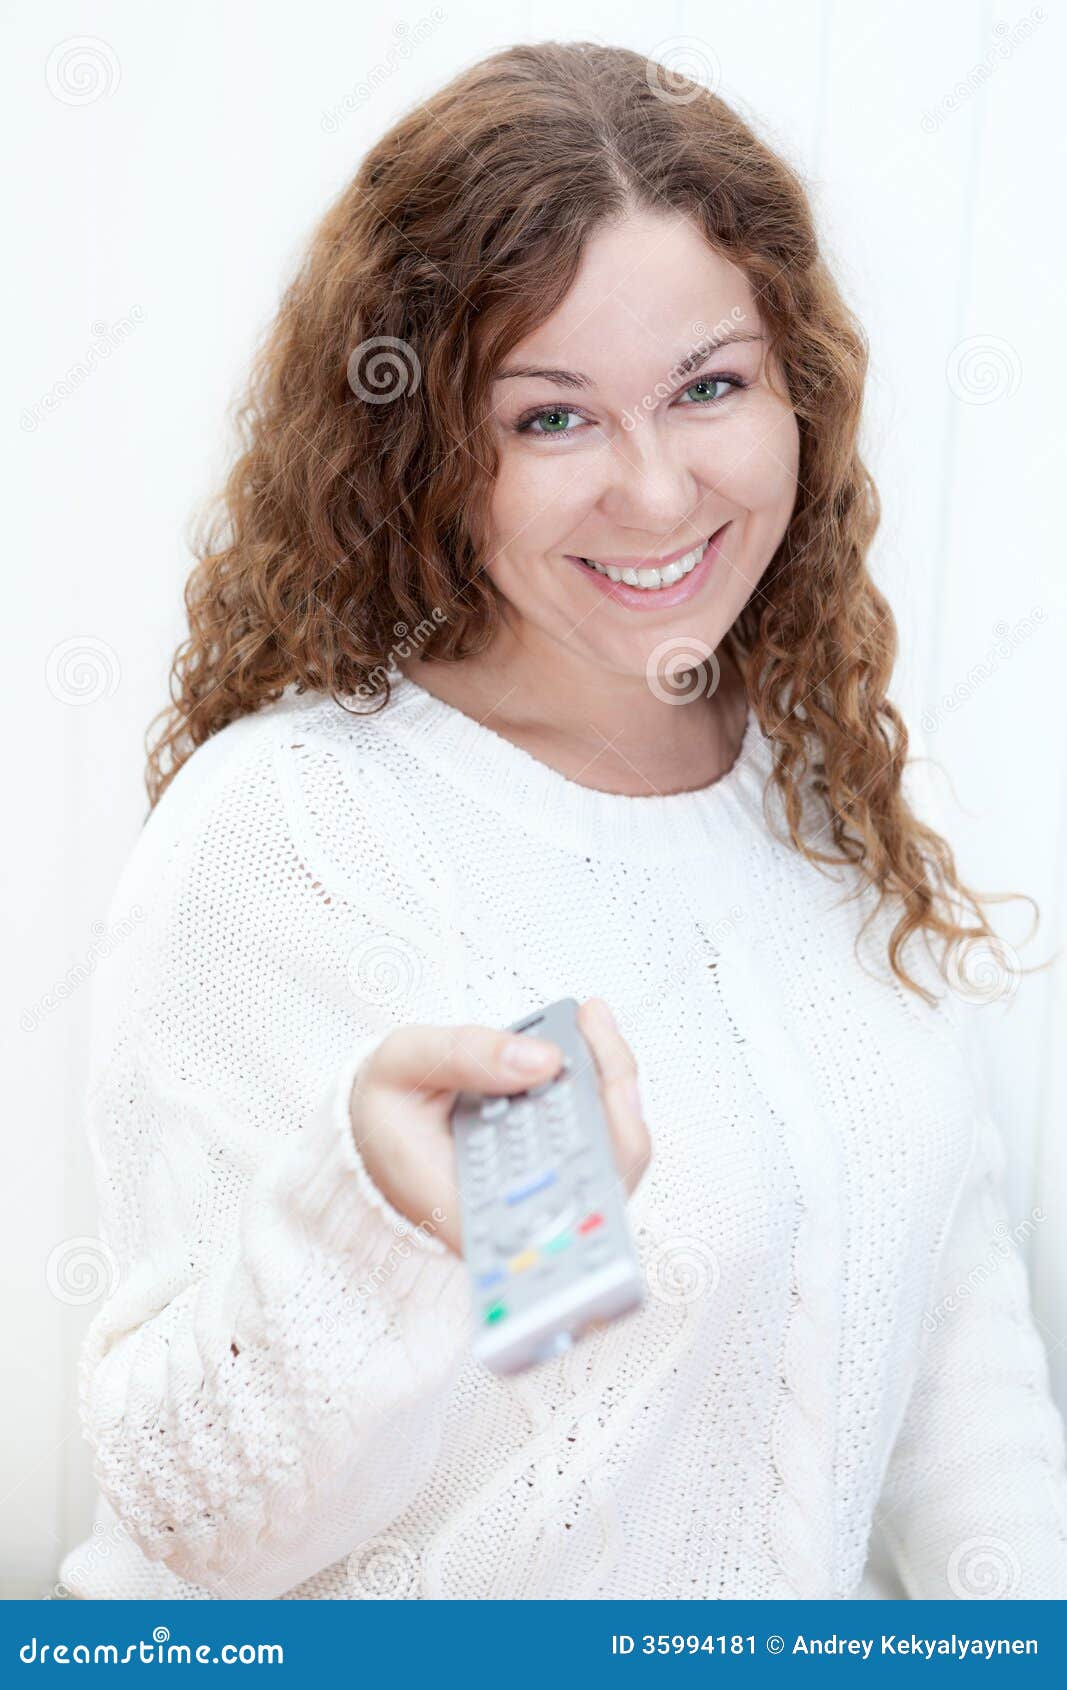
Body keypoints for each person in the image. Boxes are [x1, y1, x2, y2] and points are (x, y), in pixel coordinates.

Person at [59, 40, 1067, 1601]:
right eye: (551, 419)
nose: (658, 493)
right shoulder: (296, 828)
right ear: (426, 449)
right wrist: (376, 1214)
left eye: (709, 388)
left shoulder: (843, 779)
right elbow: (186, 1533)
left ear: (797, 389)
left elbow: (962, 1378)